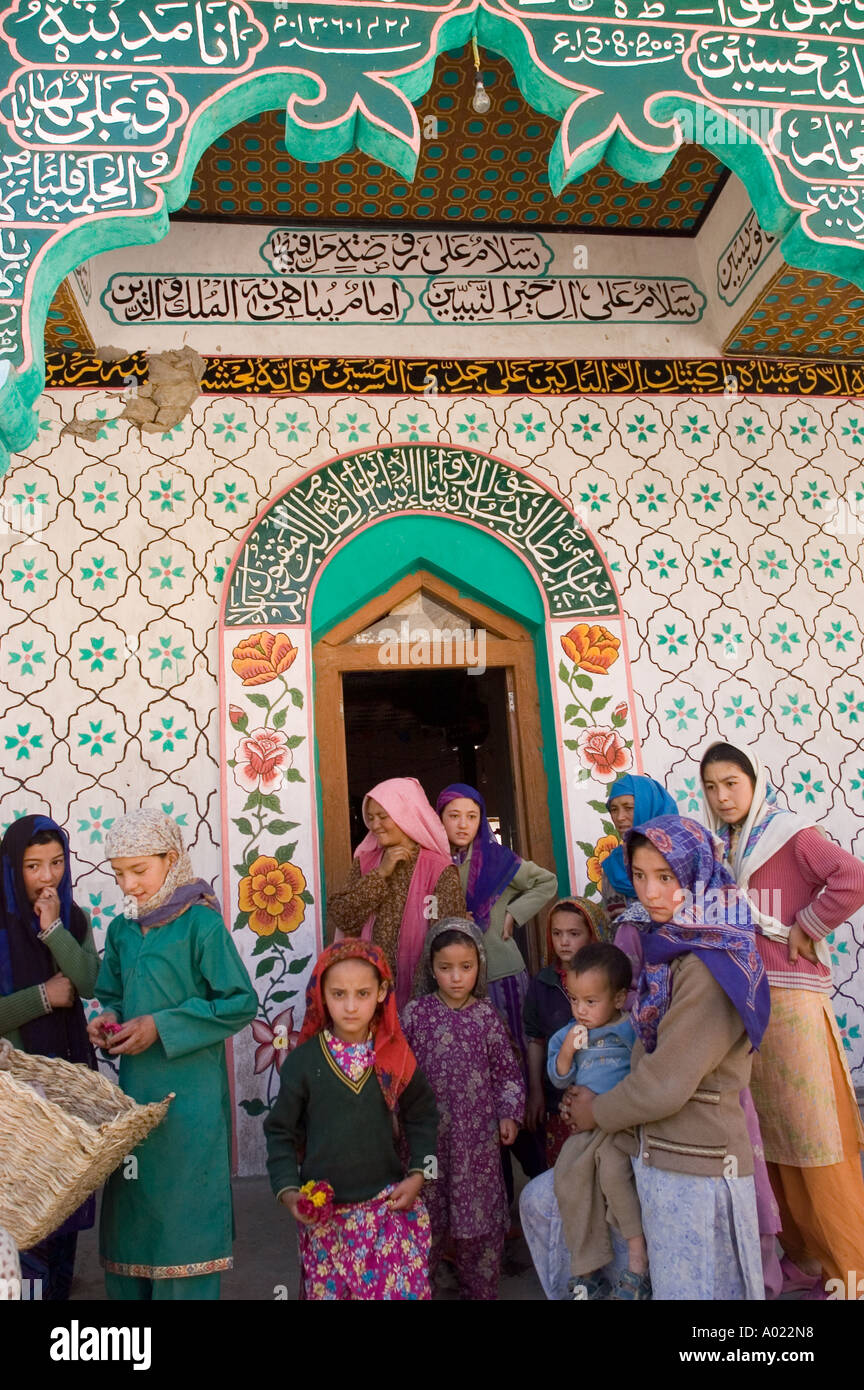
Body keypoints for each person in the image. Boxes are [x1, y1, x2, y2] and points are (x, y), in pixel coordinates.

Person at [563, 816, 769, 1300]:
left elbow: (665, 1083)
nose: (650, 892)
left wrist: (598, 1111)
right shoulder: (674, 949)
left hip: (700, 1167)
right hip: (667, 1154)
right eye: (639, 875)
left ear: (696, 876)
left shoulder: (712, 962)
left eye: (666, 877)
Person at [701, 740, 864, 1294]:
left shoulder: (790, 834)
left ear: (754, 781)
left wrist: (806, 926)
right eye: (712, 787)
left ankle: (852, 1269)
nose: (722, 796)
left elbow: (852, 878)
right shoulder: (723, 847)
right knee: (770, 1135)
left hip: (792, 1002)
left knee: (814, 1136)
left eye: (731, 783)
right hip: (750, 1003)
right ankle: (807, 1258)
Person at [88, 810, 257, 1300]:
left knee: (185, 1218)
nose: (129, 883)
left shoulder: (200, 924)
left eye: (139, 870)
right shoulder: (123, 929)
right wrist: (107, 1017)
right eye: (118, 872)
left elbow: (240, 1002)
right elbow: (111, 991)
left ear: (172, 859)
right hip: (135, 1099)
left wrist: (161, 1026)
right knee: (134, 1211)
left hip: (190, 1103)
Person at [264, 940, 438, 1300]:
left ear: (381, 992)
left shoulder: (395, 1057)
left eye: (362, 993)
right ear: (321, 995)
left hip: (386, 1209)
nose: (350, 1005)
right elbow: (280, 1132)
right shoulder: (303, 1064)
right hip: (326, 1221)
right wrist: (289, 1192)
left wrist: (419, 1174)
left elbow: (422, 1114)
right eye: (338, 993)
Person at [437, 782, 557, 1192]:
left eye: (472, 816)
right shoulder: (432, 863)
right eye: (454, 815)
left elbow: (546, 882)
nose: (464, 824)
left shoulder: (500, 861)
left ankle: (541, 1174)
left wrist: (514, 916)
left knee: (514, 1068)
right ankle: (495, 1188)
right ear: (439, 819)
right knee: (474, 1076)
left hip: (503, 977)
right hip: (456, 984)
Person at [0, 816, 99, 1300]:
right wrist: (40, 997)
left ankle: (57, 1292)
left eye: (56, 863)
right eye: (33, 866)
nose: (47, 877)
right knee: (25, 1207)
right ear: (11, 868)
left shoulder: (74, 918)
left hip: (68, 1083)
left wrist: (54, 929)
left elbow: (87, 982)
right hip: (17, 1099)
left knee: (66, 1196)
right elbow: (57, 992)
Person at [402, 918, 525, 1300]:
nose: (456, 977)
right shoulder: (415, 1015)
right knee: (425, 1224)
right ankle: (420, 1291)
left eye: (466, 967)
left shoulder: (487, 1016)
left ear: (480, 966)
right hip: (426, 1142)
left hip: (478, 1144)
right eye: (445, 968)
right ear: (431, 968)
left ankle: (480, 1291)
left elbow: (508, 1072)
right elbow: (397, 1074)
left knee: (480, 1227)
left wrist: (509, 1113)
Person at [548, 943, 649, 1300]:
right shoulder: (568, 1035)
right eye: (574, 1000)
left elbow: (645, 1075)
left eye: (591, 1002)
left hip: (620, 1124)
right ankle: (587, 1270)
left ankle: (637, 1264)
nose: (581, 1010)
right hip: (585, 1129)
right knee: (567, 1176)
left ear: (620, 998)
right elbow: (559, 1079)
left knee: (612, 1173)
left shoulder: (631, 1030)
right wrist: (566, 1053)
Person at [327, 777, 465, 1010]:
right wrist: (380, 873)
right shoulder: (365, 862)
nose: (375, 825)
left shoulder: (438, 869)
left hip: (423, 998)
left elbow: (447, 938)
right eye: (371, 818)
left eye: (383, 816)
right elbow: (342, 916)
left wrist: (421, 1001)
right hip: (367, 995)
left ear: (406, 815)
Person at [523, 897, 610, 1164]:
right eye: (557, 933)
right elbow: (537, 1040)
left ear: (593, 935)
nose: (564, 942)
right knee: (565, 1173)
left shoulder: (609, 981)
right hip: (557, 1099)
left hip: (602, 1097)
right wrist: (536, 1091)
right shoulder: (543, 984)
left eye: (574, 934)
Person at [601, 774, 678, 923]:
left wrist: (639, 914)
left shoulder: (679, 858)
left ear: (649, 806)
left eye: (628, 808)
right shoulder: (613, 865)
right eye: (614, 809)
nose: (620, 817)